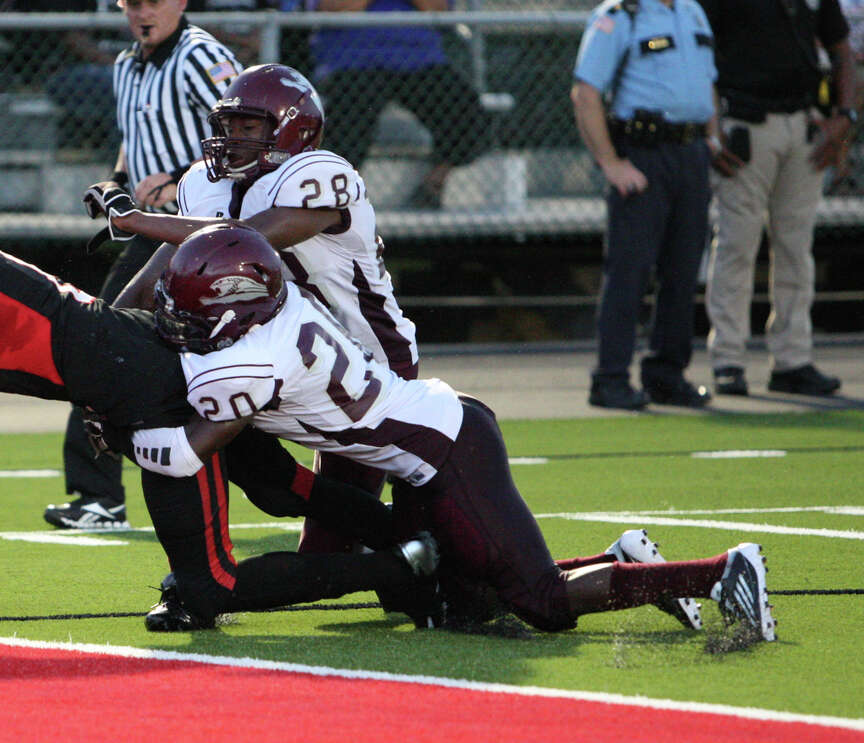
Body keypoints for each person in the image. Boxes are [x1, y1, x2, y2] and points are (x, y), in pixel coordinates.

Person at [0, 206, 440, 631]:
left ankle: (404, 564)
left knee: (210, 583)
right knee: (278, 484)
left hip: (151, 397)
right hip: (134, 383)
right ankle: (411, 536)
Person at [107, 223, 777, 642]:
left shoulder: (255, 359)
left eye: (193, 313)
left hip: (450, 449)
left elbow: (180, 454)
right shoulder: (273, 308)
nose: (177, 323)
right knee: (457, 602)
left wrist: (120, 429)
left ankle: (719, 573)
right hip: (420, 455)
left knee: (541, 604)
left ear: (240, 310)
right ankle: (627, 562)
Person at [81, 63, 419, 555]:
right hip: (275, 361)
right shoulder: (206, 184)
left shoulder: (321, 175)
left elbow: (244, 238)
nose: (232, 138)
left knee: (341, 550)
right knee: (262, 480)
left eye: (249, 126)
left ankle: (415, 551)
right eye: (227, 126)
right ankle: (200, 575)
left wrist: (137, 219)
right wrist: (103, 342)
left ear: (293, 128)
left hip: (363, 367)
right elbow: (160, 271)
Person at [47, 0, 242, 531]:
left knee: (235, 365)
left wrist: (183, 174)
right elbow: (133, 145)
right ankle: (98, 495)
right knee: (95, 341)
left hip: (208, 233)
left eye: (154, 0)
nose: (142, 11)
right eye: (133, 2)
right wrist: (115, 182)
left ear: (180, 2)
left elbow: (249, 132)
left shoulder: (202, 55)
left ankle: (319, 486)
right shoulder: (124, 66)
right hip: (154, 232)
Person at [701, 0, 857, 397]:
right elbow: (699, 55)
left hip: (803, 123)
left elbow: (841, 48)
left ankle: (792, 358)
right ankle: (728, 358)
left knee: (796, 247)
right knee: (737, 242)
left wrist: (845, 116)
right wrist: (713, 129)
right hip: (746, 124)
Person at [571, 0, 720, 410]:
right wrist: (612, 163)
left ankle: (667, 375)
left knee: (684, 270)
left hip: (690, 154)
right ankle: (611, 378)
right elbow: (586, 93)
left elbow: (707, 80)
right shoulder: (621, 15)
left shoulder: (691, 11)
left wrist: (712, 138)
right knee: (630, 270)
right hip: (644, 153)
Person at [280, 0, 488, 208]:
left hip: (419, 60)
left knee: (468, 110)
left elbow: (437, 7)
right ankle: (338, 197)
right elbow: (331, 6)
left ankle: (433, 183)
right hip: (350, 61)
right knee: (355, 107)